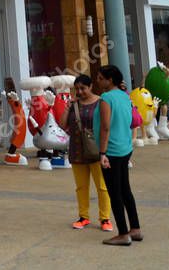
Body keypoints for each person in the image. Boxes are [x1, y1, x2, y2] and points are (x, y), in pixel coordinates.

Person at [58, 74, 112, 232]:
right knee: (81, 187)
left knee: (102, 187)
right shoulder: (74, 105)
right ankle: (83, 217)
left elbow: (107, 126)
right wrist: (68, 107)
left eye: (83, 88)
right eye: (77, 89)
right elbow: (62, 124)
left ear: (91, 87)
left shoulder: (101, 103)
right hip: (77, 151)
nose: (80, 92)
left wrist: (106, 150)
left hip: (97, 151)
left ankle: (105, 218)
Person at [96, 65, 142, 246]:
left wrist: (102, 152)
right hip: (125, 148)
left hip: (112, 151)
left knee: (115, 193)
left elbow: (105, 126)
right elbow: (130, 121)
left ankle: (123, 233)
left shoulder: (106, 98)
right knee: (125, 190)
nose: (98, 81)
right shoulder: (124, 96)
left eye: (100, 78)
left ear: (110, 80)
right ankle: (135, 228)